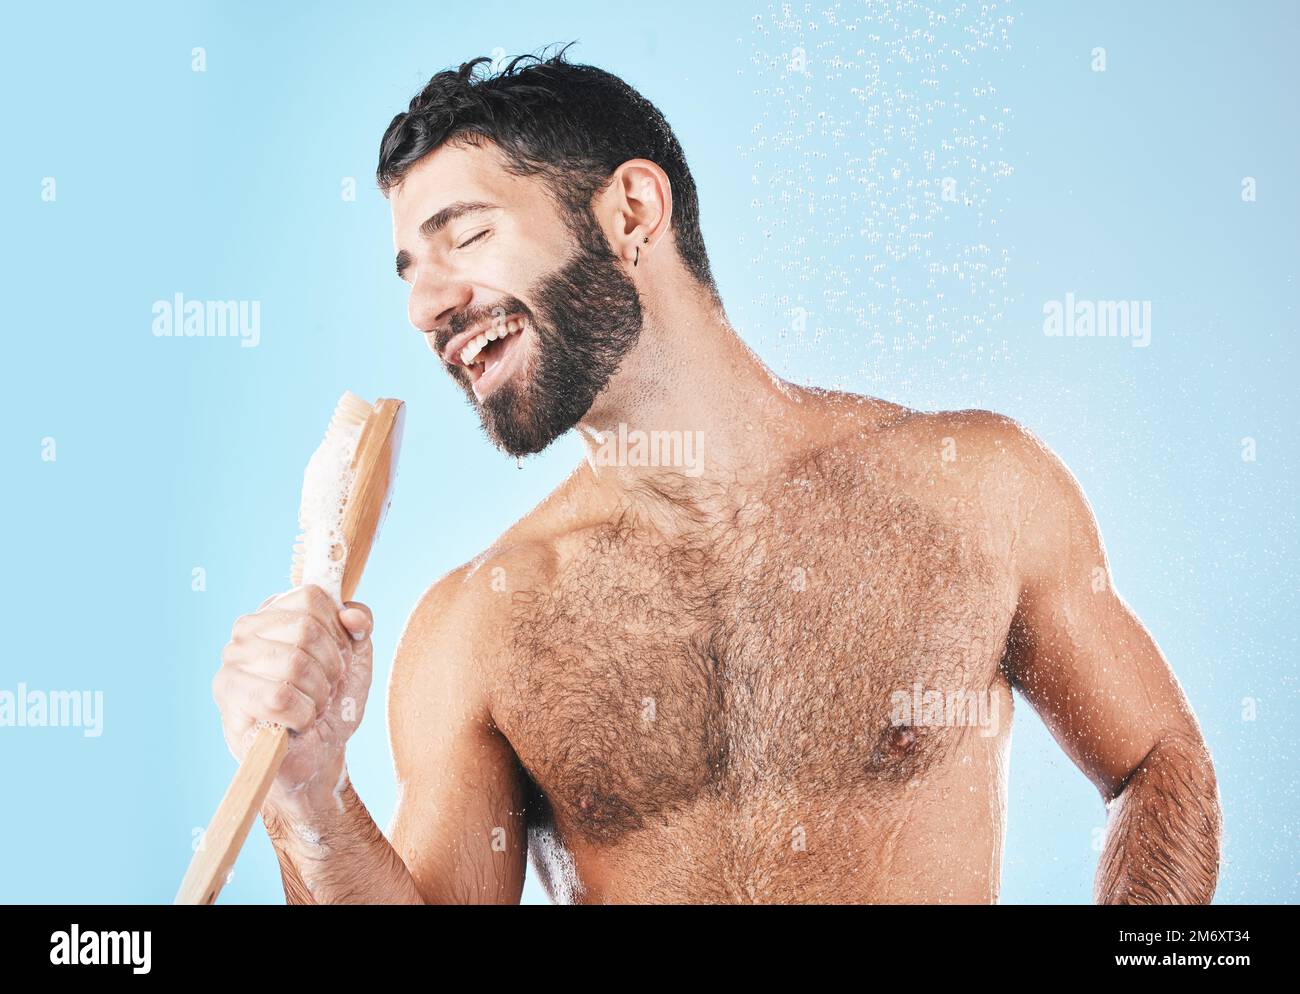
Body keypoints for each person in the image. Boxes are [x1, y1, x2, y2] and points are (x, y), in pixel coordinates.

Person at [212, 47, 1221, 904]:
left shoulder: (975, 487)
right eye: (407, 274)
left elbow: (1157, 763)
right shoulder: (477, 627)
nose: (426, 304)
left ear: (631, 212)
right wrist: (306, 789)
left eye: (465, 237)